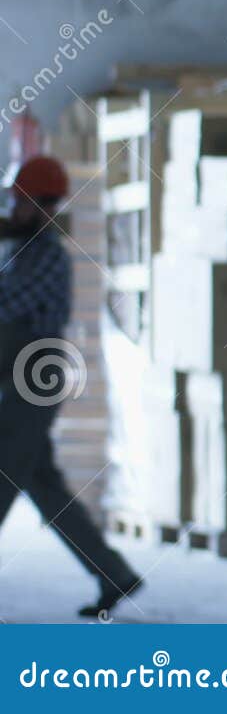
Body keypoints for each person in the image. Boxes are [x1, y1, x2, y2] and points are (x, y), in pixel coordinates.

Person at [0, 155, 144, 618]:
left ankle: (114, 573)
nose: (12, 209)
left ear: (42, 207)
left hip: (31, 381)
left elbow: (6, 305)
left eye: (19, 202)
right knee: (44, 484)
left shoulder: (45, 256)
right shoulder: (21, 249)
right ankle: (115, 574)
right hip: (17, 378)